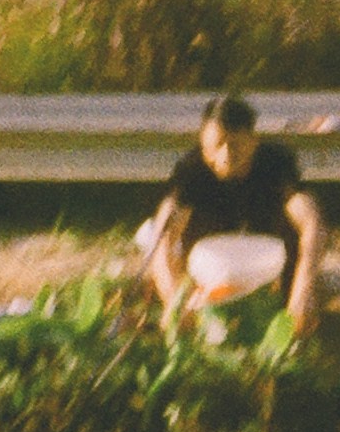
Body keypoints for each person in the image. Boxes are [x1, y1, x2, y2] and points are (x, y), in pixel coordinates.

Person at [139, 94, 325, 335]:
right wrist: (174, 301)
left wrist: (304, 289)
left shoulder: (276, 162)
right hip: (208, 263)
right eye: (216, 145)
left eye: (235, 145)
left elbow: (312, 222)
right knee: (155, 241)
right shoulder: (192, 168)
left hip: (265, 259)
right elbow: (163, 239)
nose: (225, 155)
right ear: (203, 142)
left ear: (253, 141)